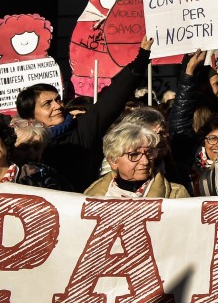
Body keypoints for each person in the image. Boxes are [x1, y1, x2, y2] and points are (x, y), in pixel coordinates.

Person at [17, 36, 153, 191]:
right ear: (31, 115)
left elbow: (112, 100)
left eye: (58, 100)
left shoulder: (82, 130)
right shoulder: (18, 141)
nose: (58, 106)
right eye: (47, 104)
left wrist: (141, 60)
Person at [85, 122, 189, 198]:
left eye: (149, 153)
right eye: (134, 155)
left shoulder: (176, 195)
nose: (146, 161)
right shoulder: (91, 194)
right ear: (113, 161)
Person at [0, 118, 67, 189]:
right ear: (8, 146)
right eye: (23, 147)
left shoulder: (48, 179)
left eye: (37, 148)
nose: (32, 155)